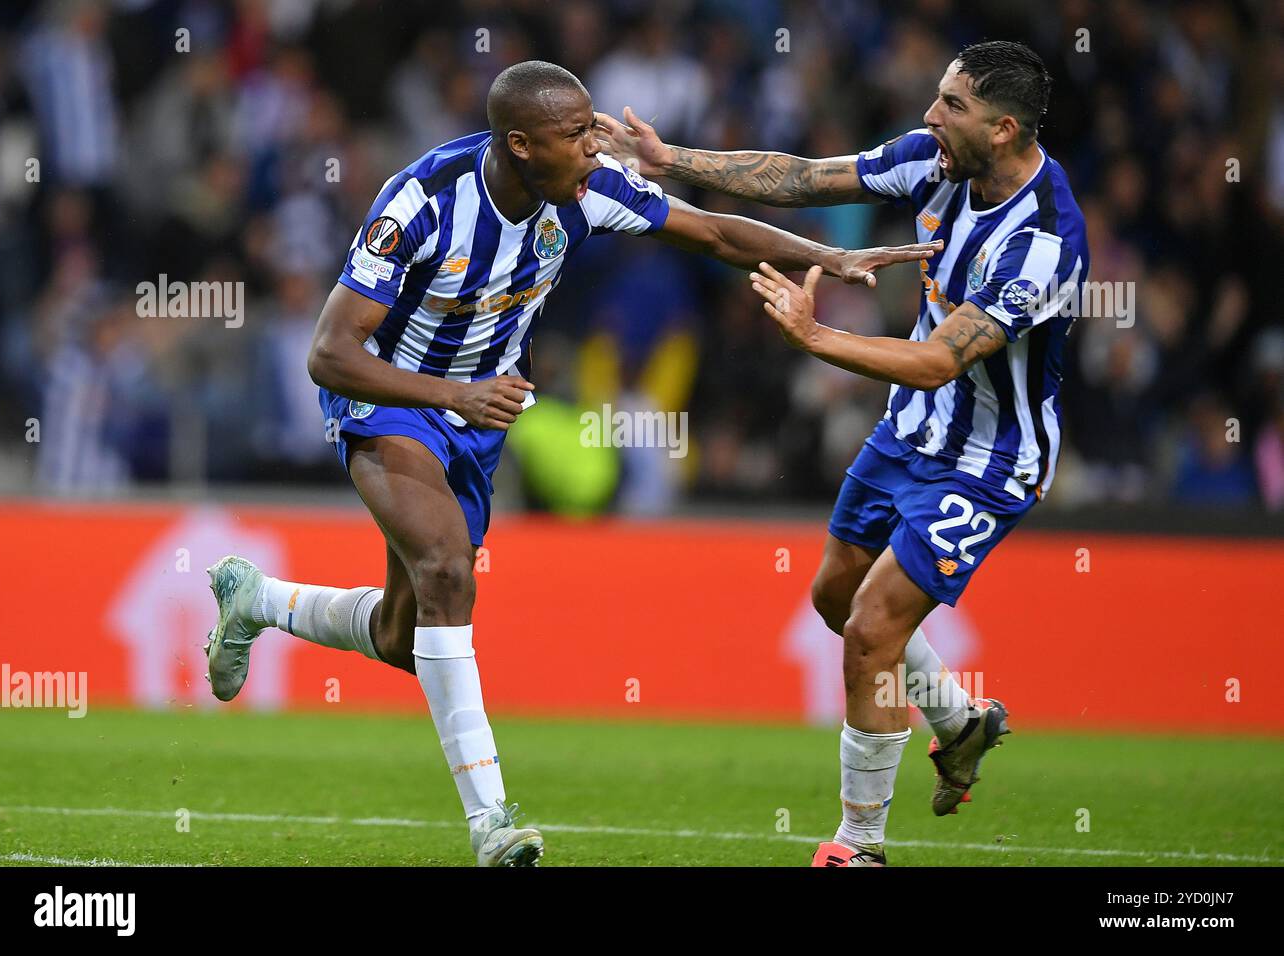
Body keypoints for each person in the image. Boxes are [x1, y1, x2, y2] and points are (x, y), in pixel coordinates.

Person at [202, 60, 938, 867]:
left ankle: (259, 600)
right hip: (392, 398)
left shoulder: (591, 190)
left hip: (477, 415)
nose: (596, 146)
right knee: (450, 571)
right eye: (576, 134)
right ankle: (492, 824)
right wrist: (454, 394)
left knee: (402, 630)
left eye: (593, 128)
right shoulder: (421, 203)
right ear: (519, 145)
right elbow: (329, 352)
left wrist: (827, 260)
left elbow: (714, 232)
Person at [600, 40, 1089, 866]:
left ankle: (859, 847)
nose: (931, 116)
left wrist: (815, 334)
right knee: (835, 600)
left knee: (869, 634)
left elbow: (943, 359)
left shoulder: (1044, 241)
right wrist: (669, 158)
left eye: (953, 106)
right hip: (910, 428)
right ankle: (961, 721)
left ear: (1004, 129)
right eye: (937, 97)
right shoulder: (934, 160)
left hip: (989, 460)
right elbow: (803, 177)